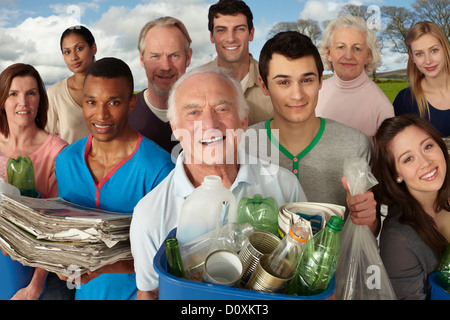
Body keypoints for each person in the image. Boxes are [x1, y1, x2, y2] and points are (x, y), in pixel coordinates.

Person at [130, 65, 307, 299]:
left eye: (222, 108)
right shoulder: (149, 214)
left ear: (244, 121)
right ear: (175, 128)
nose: (210, 124)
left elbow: (306, 279)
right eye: (193, 112)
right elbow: (151, 292)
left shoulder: (285, 186)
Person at [54, 57, 175, 300]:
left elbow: (168, 260)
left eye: (114, 102)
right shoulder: (66, 160)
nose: (101, 115)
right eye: (91, 102)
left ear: (131, 103)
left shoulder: (159, 168)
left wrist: (104, 267)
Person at [248, 31, 377, 233]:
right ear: (264, 86)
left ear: (320, 82)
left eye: (306, 80)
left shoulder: (356, 144)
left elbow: (370, 233)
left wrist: (367, 217)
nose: (297, 94)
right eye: (283, 82)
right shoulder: (243, 145)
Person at [0, 63, 69, 300]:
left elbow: (56, 225)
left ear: (41, 98)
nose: (24, 102)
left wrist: (35, 286)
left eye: (31, 93)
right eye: (13, 94)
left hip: (41, 271)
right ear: (2, 100)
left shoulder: (57, 151)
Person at [373, 114, 449, 299]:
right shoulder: (398, 239)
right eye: (408, 159)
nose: (425, 162)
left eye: (428, 146)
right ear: (396, 174)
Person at [315, 15, 394, 143]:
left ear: (367, 56)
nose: (348, 55)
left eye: (357, 48)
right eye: (341, 47)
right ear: (329, 53)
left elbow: (387, 158)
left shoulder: (382, 106)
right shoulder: (315, 92)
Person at [129, 16, 192, 154]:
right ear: (141, 58)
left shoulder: (208, 116)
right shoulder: (123, 116)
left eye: (174, 55)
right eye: (155, 56)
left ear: (188, 57)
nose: (165, 66)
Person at [204, 0, 273, 125]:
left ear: (251, 34)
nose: (231, 38)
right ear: (211, 36)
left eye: (239, 29)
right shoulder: (194, 81)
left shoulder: (273, 79)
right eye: (221, 30)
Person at [393, 21, 450, 137]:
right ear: (412, 57)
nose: (428, 60)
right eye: (419, 54)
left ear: (445, 48)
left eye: (434, 50)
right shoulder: (405, 100)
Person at [46, 25, 97, 144]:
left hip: (113, 161)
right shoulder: (55, 93)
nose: (73, 57)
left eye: (79, 48)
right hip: (70, 162)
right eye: (67, 52)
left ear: (93, 48)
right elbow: (46, 139)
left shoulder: (111, 87)